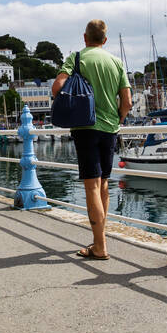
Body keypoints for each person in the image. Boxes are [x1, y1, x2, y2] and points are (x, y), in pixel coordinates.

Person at [51, 19, 131, 260]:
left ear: (85, 38)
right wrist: (118, 118)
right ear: (104, 41)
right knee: (104, 183)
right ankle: (99, 239)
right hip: (110, 129)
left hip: (85, 127)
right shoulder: (116, 62)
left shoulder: (76, 58)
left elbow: (57, 87)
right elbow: (126, 102)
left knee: (92, 186)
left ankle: (100, 246)